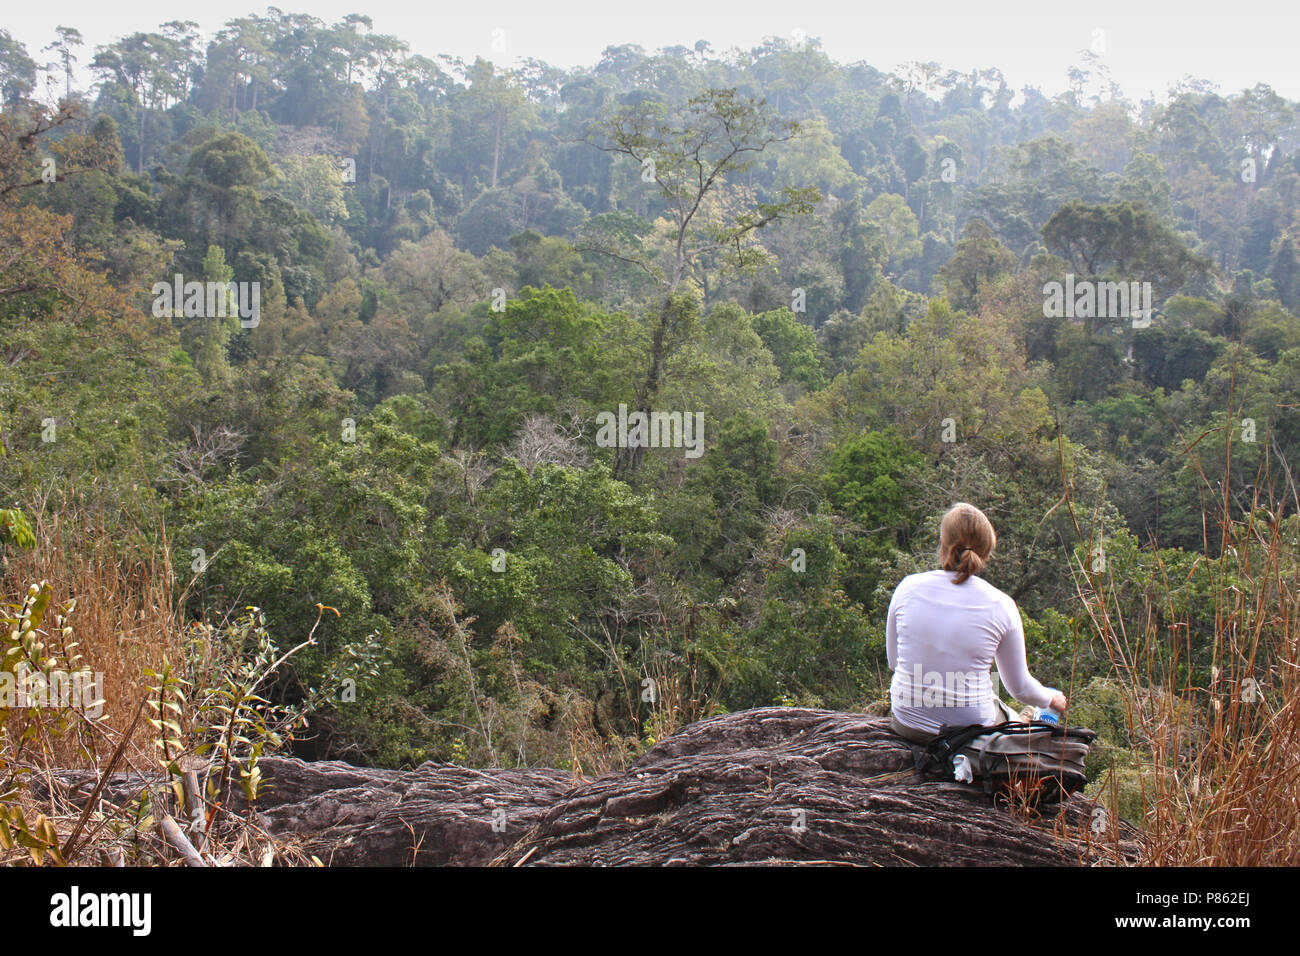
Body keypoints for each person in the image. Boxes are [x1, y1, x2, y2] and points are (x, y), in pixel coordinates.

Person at [886, 502, 1068, 745]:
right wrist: (1051, 700)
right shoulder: (1001, 604)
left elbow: (893, 662)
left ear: (943, 541)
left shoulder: (908, 587)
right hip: (969, 729)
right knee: (1028, 706)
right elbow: (1020, 689)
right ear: (986, 551)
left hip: (908, 722)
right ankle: (1032, 719)